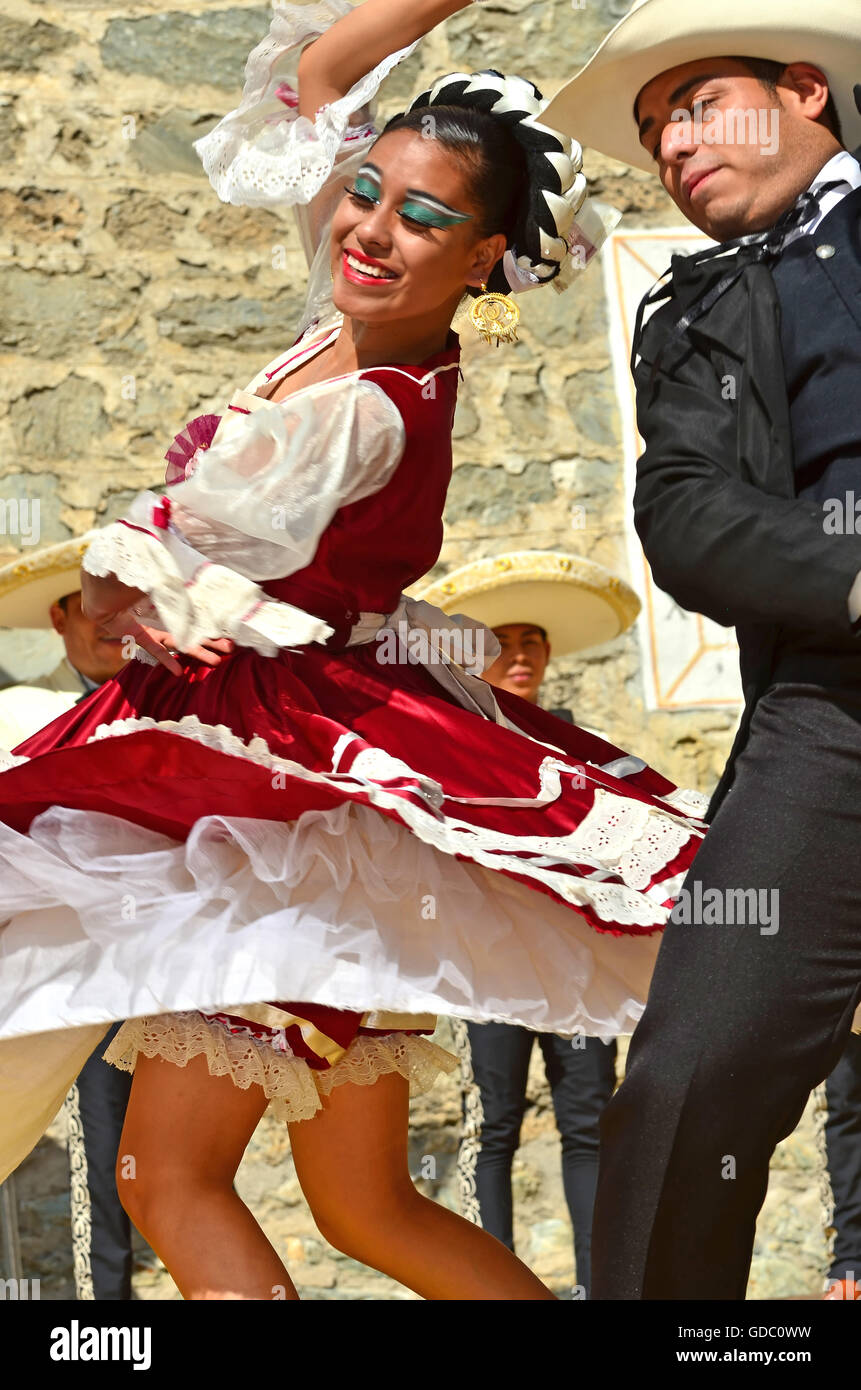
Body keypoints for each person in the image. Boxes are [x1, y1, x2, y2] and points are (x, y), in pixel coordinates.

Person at [0, 0, 707, 1302]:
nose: (368, 228)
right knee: (364, 1205)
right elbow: (313, 84)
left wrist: (106, 598)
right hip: (304, 787)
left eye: (421, 217)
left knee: (170, 1179)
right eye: (367, 193)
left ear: (484, 252)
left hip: (281, 811)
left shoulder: (368, 418)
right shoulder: (352, 323)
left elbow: (198, 557)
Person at [544, 0, 861, 1299]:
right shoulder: (696, 307)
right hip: (834, 711)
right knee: (686, 1081)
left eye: (692, 105)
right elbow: (684, 515)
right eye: (649, 131)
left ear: (802, 89)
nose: (669, 145)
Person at [0, 539, 231, 1299]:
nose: (109, 622)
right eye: (89, 607)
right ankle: (113, 1308)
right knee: (102, 1154)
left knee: (177, 1168)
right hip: (65, 975)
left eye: (126, 606)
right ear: (58, 619)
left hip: (185, 976)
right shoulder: (17, 720)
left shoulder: (191, 709)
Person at [418, 549, 640, 1297]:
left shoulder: (581, 748)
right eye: (504, 642)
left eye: (531, 643)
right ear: (480, 655)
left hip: (573, 960)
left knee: (589, 1127)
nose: (519, 656)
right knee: (493, 1127)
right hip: (490, 966)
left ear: (546, 657)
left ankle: (596, 1287)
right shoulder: (452, 740)